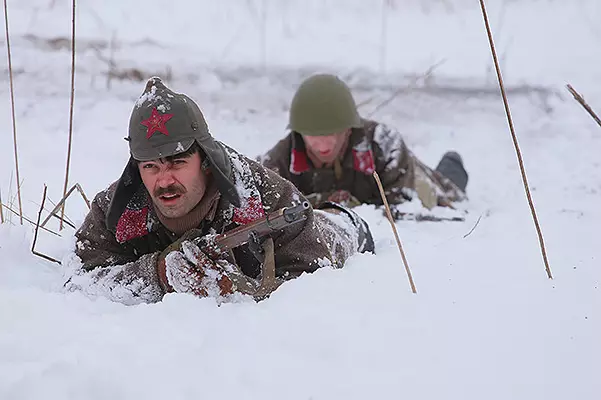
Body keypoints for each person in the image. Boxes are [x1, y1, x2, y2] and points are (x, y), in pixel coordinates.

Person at [66, 77, 374, 305]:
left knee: (340, 226)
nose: (164, 180)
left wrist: (240, 289)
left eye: (177, 162)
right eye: (150, 167)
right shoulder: (115, 211)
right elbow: (79, 282)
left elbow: (315, 277)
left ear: (206, 160)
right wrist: (159, 274)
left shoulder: (264, 196)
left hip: (336, 231)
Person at [260, 73, 469, 214]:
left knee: (441, 193)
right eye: (313, 135)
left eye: (332, 133)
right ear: (298, 132)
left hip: (413, 178)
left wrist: (341, 206)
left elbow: (404, 211)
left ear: (349, 129)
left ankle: (452, 164)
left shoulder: (384, 145)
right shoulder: (279, 160)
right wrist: (328, 201)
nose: (323, 145)